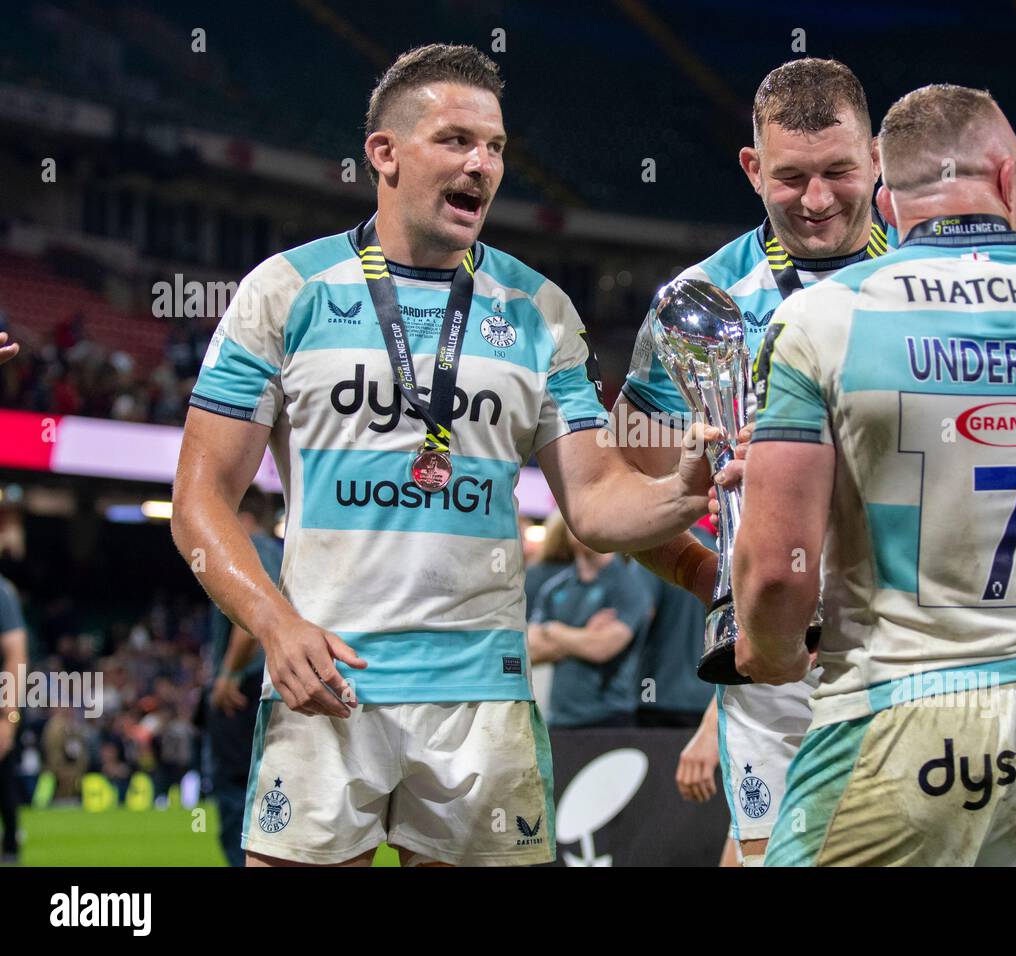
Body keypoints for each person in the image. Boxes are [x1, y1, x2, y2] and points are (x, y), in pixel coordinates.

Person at [171, 43, 717, 868]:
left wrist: (682, 494)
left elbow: (598, 502)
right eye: (457, 140)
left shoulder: (539, 309)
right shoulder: (283, 293)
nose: (482, 165)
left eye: (495, 147)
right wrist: (273, 624)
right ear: (383, 154)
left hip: (481, 699)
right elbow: (200, 499)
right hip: (327, 686)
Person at [733, 83, 1016, 866]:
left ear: (887, 199)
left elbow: (781, 574)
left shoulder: (823, 318)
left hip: (891, 718)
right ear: (1005, 175)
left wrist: (771, 655)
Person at [610, 57, 893, 867]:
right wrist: (706, 573)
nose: (817, 200)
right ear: (752, 168)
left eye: (840, 171)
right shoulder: (697, 304)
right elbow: (626, 485)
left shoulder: (936, 279)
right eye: (791, 176)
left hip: (917, 636)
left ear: (875, 158)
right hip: (779, 644)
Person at [205, 486, 283, 866]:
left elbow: (251, 621)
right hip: (279, 682)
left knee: (235, 791)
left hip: (245, 688)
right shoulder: (284, 550)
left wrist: (227, 675)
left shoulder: (245, 548)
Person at [526, 529, 655, 729]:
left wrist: (553, 630)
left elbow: (602, 649)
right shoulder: (555, 588)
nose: (582, 529)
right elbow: (530, 650)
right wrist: (585, 635)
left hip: (609, 718)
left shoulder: (630, 586)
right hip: (559, 720)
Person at [636, 522, 716, 727]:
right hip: (708, 699)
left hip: (657, 697)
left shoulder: (655, 551)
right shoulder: (724, 556)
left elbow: (640, 615)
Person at [0, 573, 27, 863]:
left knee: (4, 779)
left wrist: (8, 717)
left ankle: (10, 844)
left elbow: (15, 654)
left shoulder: (2, 591)